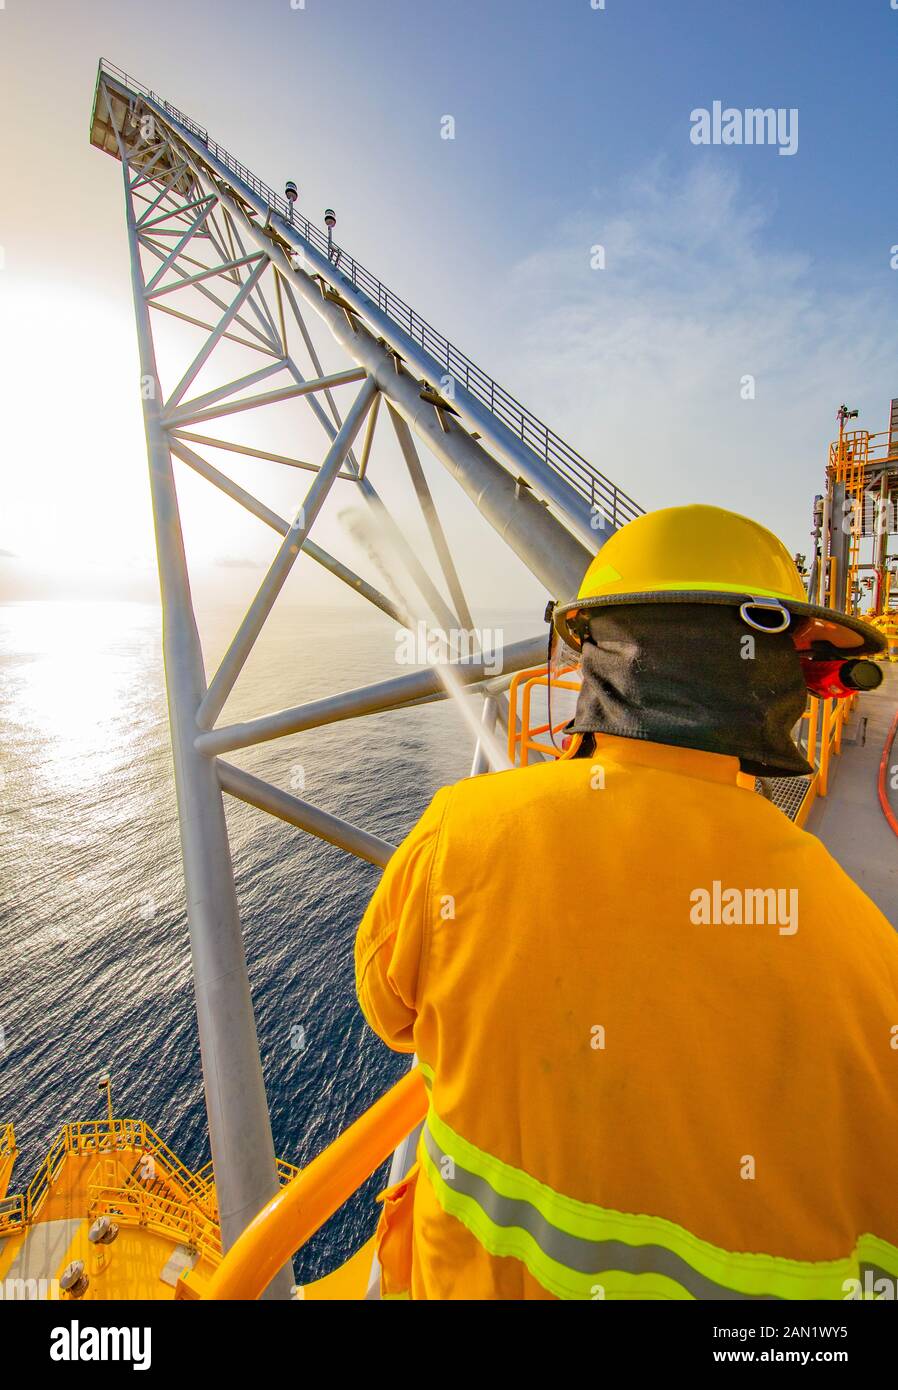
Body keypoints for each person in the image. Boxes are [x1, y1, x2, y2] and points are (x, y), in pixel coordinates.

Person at [355, 504, 898, 1301]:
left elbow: (389, 1014)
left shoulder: (458, 838)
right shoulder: (866, 952)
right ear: (788, 681)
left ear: (590, 656)